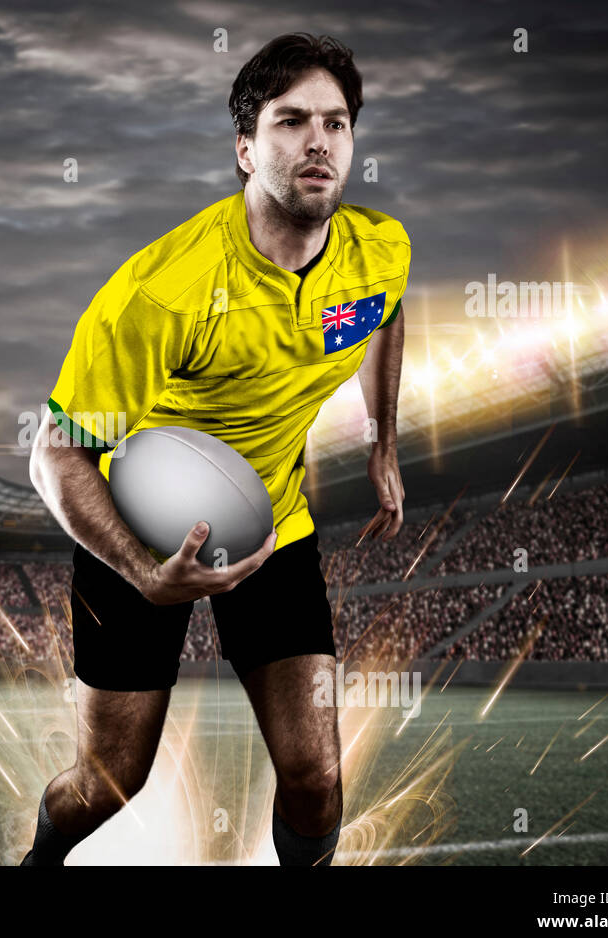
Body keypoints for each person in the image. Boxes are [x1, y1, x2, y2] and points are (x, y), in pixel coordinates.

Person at [25, 32, 408, 866]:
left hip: (273, 523)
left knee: (316, 777)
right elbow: (54, 455)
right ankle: (39, 862)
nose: (318, 141)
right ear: (245, 149)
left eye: (337, 124)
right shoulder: (159, 293)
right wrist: (138, 568)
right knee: (108, 780)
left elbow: (387, 310)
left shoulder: (379, 252)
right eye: (291, 121)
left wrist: (381, 443)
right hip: (136, 528)